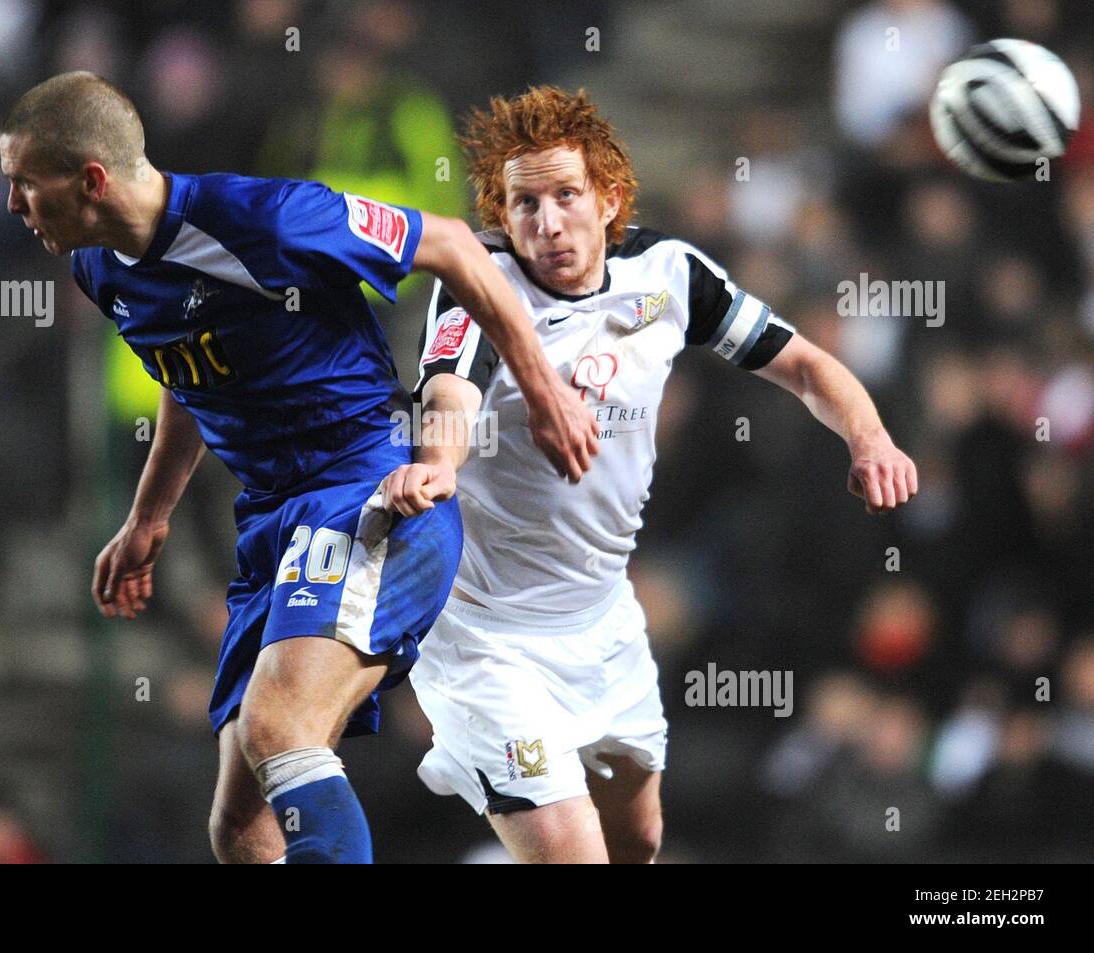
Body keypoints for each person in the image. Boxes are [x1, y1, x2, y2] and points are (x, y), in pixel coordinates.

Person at [0, 72, 598, 864]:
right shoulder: (101, 266)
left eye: (24, 184)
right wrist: (149, 516)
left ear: (91, 180)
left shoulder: (263, 218)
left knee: (278, 727)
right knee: (241, 828)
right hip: (272, 523)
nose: (13, 206)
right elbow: (189, 374)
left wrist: (543, 389)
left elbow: (452, 244)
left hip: (365, 490)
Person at [381, 86, 919, 863]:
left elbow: (802, 363)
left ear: (610, 198)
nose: (547, 221)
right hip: (486, 634)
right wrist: (436, 466)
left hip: (603, 618)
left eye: (566, 195)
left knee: (638, 839)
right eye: (523, 203)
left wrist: (870, 438)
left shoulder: (668, 272)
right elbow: (449, 389)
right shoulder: (480, 277)